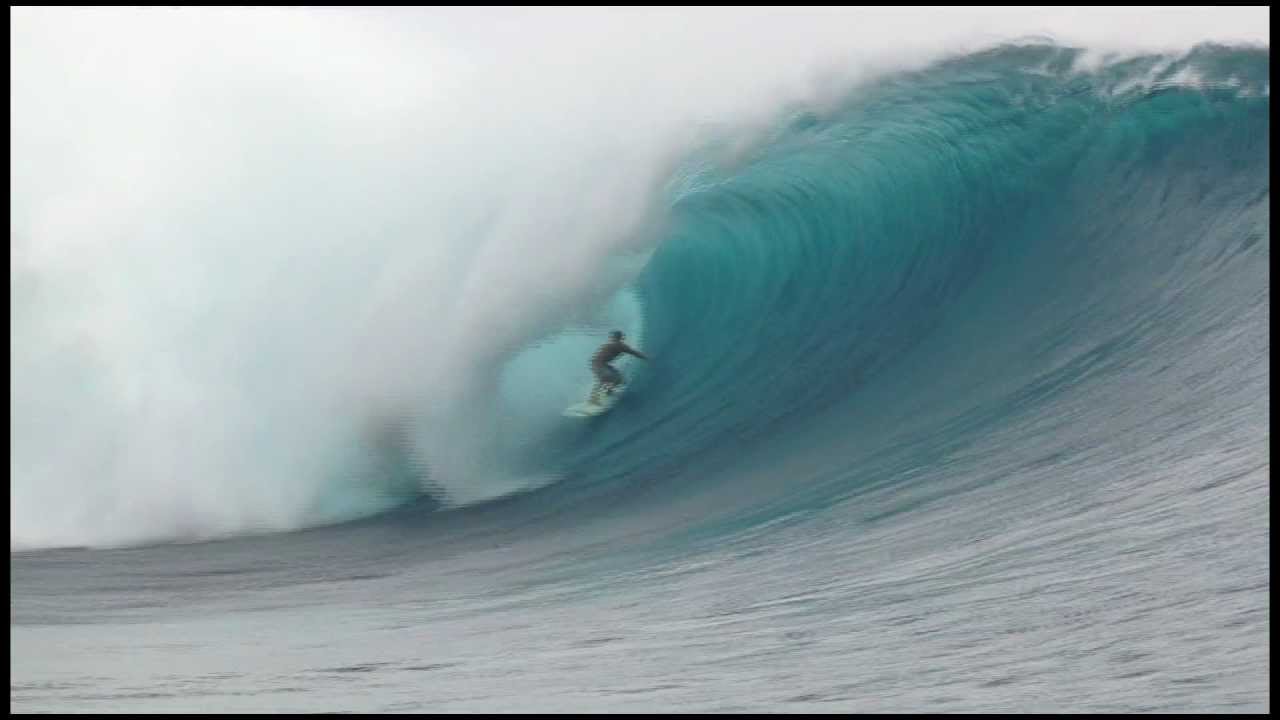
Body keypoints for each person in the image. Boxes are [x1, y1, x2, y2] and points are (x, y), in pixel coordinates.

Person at [591, 330, 647, 401]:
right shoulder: (619, 345)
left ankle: (608, 392)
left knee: (619, 380)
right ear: (621, 337)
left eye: (613, 337)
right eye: (613, 337)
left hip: (601, 364)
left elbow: (634, 352)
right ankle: (594, 397)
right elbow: (634, 353)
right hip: (599, 364)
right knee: (606, 378)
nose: (612, 339)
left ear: (617, 338)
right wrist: (645, 358)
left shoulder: (616, 345)